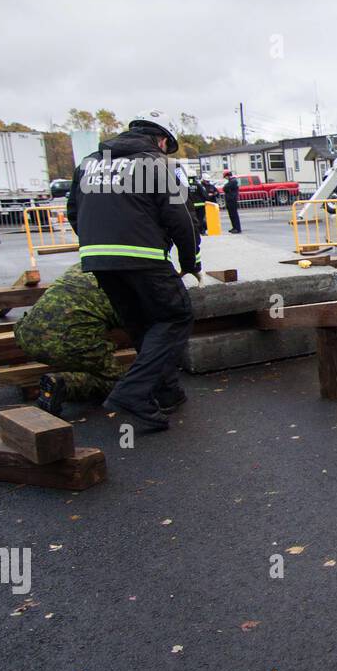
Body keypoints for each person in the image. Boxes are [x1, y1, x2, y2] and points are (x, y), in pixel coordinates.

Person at [68, 109, 198, 432]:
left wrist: (98, 248)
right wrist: (189, 261)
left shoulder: (87, 163)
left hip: (98, 260)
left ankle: (166, 391)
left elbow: (74, 211)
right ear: (162, 140)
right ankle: (132, 392)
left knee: (142, 324)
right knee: (175, 315)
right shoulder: (154, 164)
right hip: (143, 257)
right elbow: (181, 219)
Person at [15, 261, 125, 417]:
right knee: (129, 384)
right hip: (70, 344)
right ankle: (65, 384)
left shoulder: (82, 265)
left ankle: (67, 373)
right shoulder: (128, 282)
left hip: (25, 335)